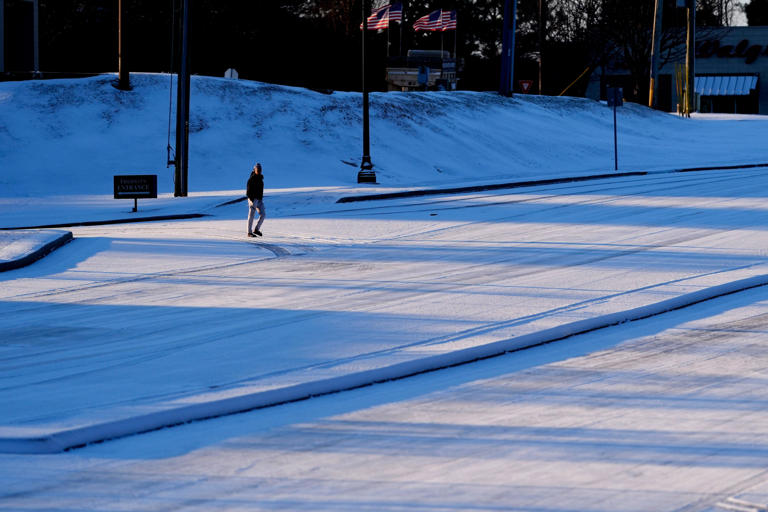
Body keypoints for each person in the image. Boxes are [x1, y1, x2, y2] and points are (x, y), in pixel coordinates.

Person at [246, 163, 265, 237]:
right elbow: (248, 192)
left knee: (263, 215)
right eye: (258, 169)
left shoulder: (261, 180)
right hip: (253, 199)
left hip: (259, 200)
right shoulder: (251, 179)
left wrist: (260, 199)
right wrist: (251, 199)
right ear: (254, 170)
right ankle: (249, 232)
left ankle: (256, 229)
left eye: (260, 169)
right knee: (251, 215)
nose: (259, 170)